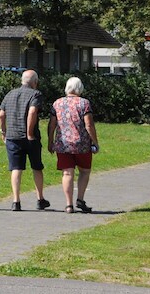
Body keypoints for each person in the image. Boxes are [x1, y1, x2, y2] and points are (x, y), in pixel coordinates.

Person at [0, 69, 50, 211]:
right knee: (36, 167)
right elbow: (32, 111)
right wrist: (29, 133)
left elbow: (1, 115)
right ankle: (40, 199)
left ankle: (16, 201)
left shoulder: (10, 94)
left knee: (16, 168)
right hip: (30, 137)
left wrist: (3, 132)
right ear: (35, 82)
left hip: (13, 137)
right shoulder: (35, 94)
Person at [47, 76, 99, 213]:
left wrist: (50, 142)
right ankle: (80, 199)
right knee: (85, 171)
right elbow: (89, 124)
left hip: (63, 144)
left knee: (67, 173)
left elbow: (52, 125)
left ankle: (68, 205)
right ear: (79, 88)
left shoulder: (57, 103)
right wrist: (95, 142)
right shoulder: (84, 103)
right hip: (82, 144)